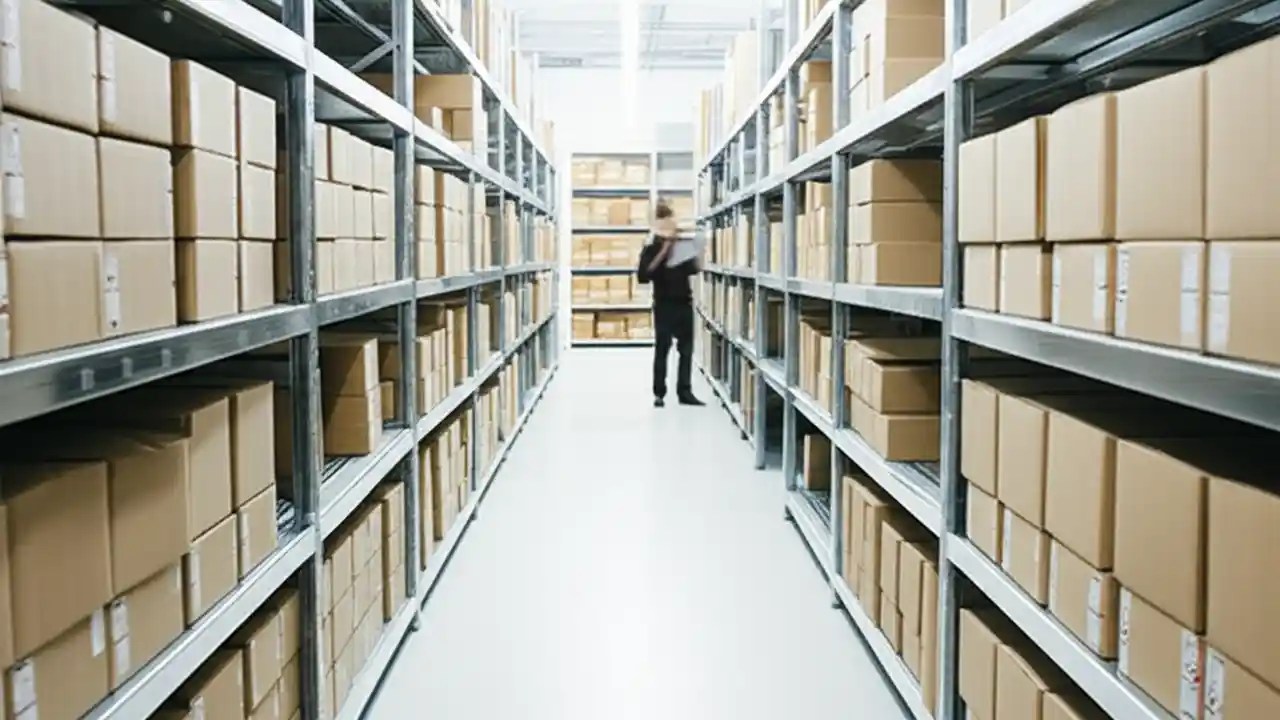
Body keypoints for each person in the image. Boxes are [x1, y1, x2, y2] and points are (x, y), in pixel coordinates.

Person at [645, 203, 704, 408]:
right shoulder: (651, 248)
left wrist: (694, 248)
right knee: (662, 349)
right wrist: (664, 250)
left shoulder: (682, 246)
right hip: (663, 305)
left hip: (684, 304)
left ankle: (684, 392)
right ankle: (659, 393)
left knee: (686, 351)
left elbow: (695, 269)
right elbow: (644, 275)